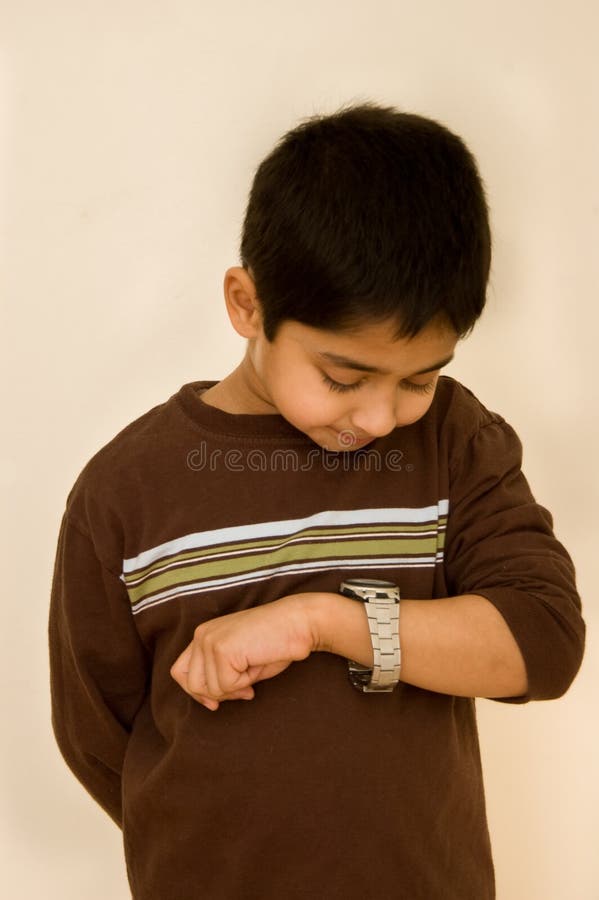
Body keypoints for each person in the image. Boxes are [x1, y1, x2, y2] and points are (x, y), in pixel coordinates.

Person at [48, 101, 585, 900]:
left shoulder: (450, 441)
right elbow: (102, 737)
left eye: (419, 377)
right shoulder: (127, 488)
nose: (377, 417)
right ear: (247, 304)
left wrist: (319, 622)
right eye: (342, 377)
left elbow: (541, 643)